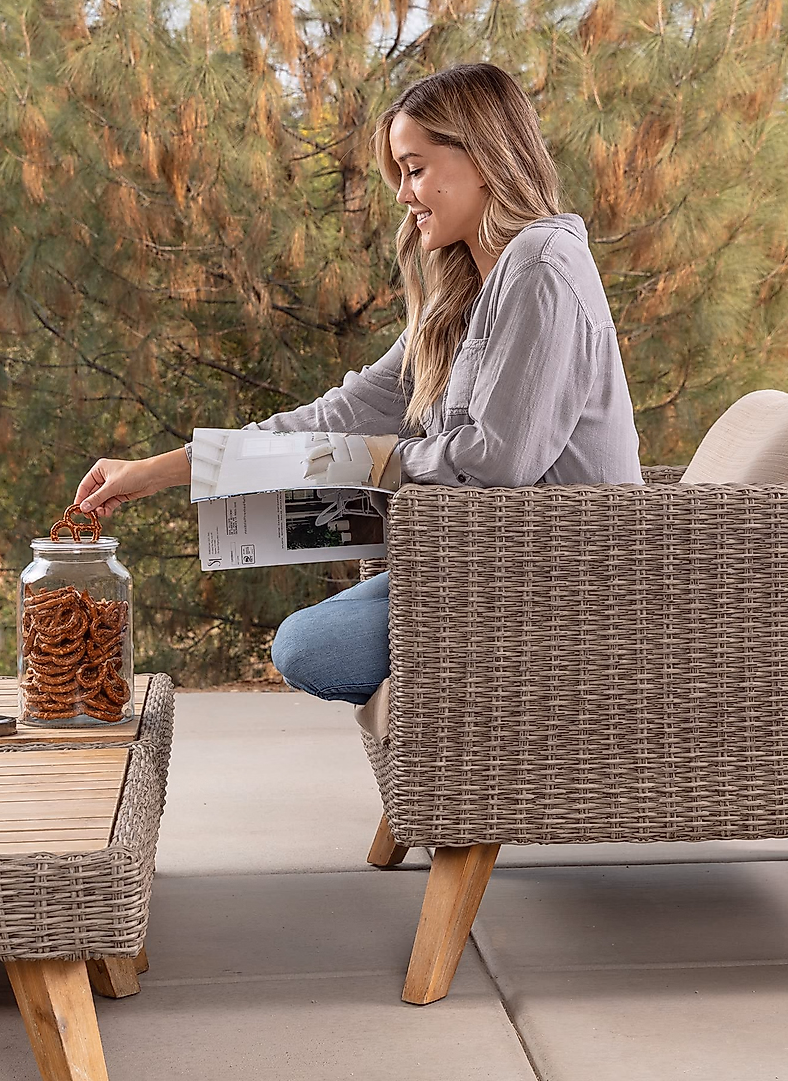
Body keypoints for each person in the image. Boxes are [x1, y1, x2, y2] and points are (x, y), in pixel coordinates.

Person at [74, 61, 644, 706]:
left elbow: (501, 463)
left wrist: (378, 462)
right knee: (305, 641)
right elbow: (339, 415)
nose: (403, 195)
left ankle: (501, 749)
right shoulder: (463, 297)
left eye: (416, 168)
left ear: (485, 156)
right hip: (478, 562)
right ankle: (470, 760)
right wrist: (153, 472)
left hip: (563, 583)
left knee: (311, 648)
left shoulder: (542, 266)